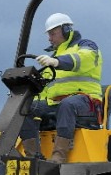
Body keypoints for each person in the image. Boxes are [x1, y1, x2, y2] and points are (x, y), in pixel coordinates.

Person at [20, 12, 103, 163]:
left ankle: (59, 157)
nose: (49, 38)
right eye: (49, 34)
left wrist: (57, 61)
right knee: (24, 108)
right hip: (56, 103)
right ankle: (34, 157)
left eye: (53, 33)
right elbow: (45, 89)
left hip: (86, 101)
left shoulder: (86, 46)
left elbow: (82, 60)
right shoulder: (53, 57)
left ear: (66, 30)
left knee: (67, 105)